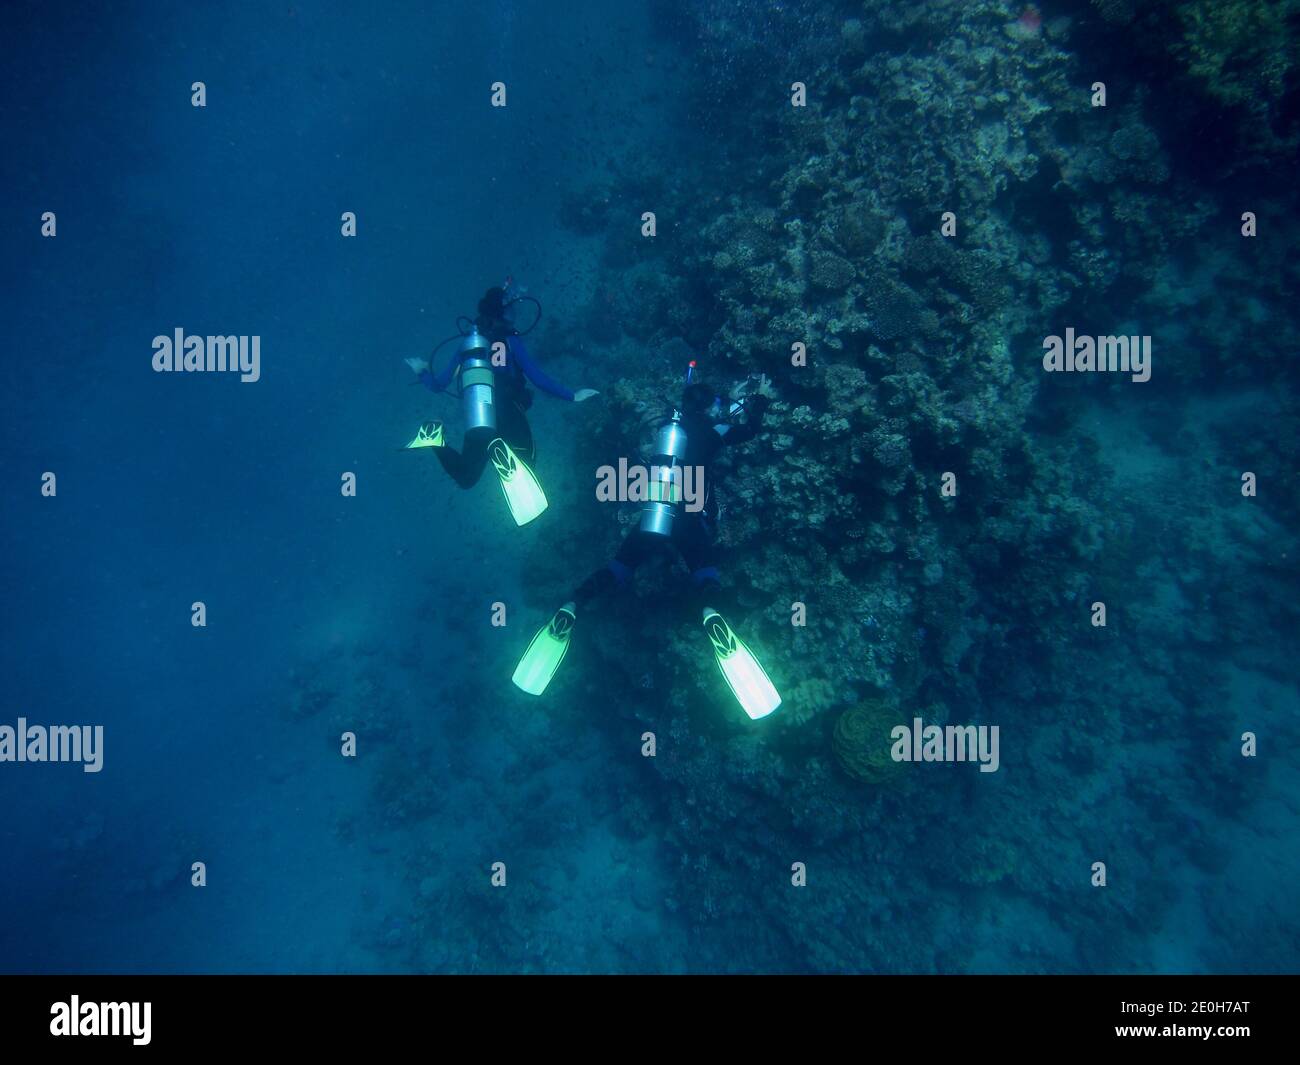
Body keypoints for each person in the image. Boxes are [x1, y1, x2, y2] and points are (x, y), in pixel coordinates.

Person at [511, 364, 783, 719]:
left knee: (619, 567)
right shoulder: (713, 430)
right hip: (686, 520)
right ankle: (710, 613)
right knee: (705, 572)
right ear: (707, 408)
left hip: (653, 516)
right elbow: (748, 430)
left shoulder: (664, 432)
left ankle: (573, 606)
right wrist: (759, 401)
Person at [403, 283, 598, 525]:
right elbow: (537, 378)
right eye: (511, 311)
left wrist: (422, 371)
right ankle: (501, 448)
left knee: (466, 477)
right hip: (507, 408)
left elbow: (438, 385)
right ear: (502, 312)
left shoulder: (467, 346)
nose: (514, 316)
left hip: (478, 415)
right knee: (528, 460)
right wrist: (572, 395)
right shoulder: (509, 341)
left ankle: (435, 440)